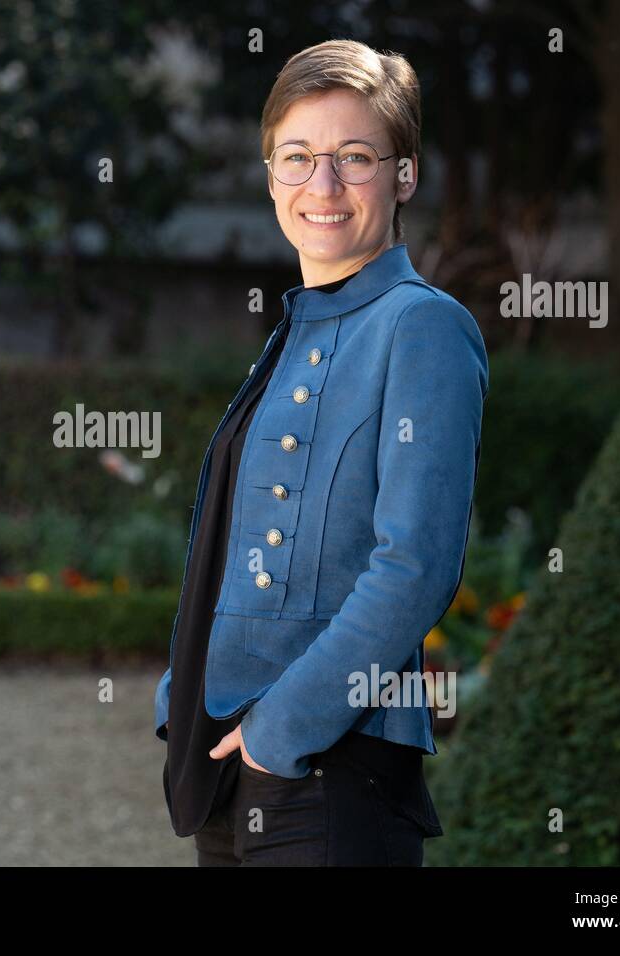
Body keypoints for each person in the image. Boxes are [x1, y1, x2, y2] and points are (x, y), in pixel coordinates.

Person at [154, 38, 489, 866]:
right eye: (297, 157)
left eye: (355, 158)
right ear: (271, 176)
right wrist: (183, 699)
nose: (324, 186)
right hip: (231, 764)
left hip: (331, 768)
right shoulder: (296, 330)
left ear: (404, 176)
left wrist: (285, 728)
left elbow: (415, 566)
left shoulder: (423, 325)